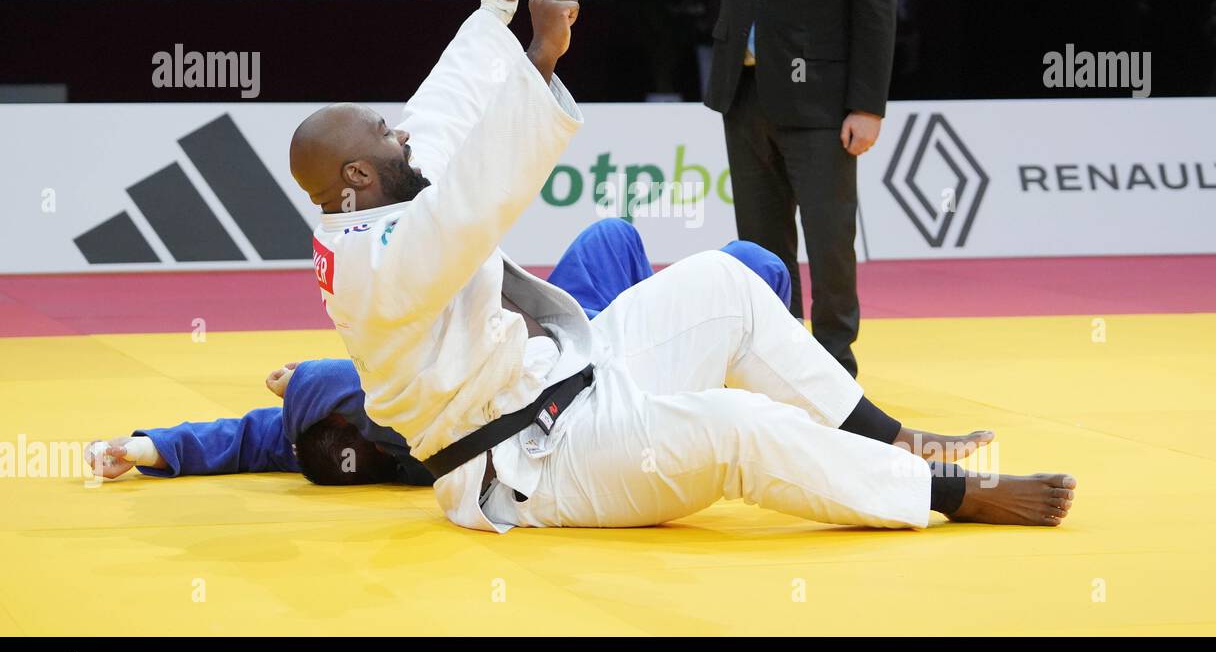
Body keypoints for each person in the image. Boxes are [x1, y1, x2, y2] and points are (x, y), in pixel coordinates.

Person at [284, 0, 1075, 533]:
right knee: (730, 424)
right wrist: (537, 59)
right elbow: (471, 200)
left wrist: (491, 18)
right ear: (358, 169)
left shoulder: (368, 195)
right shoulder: (372, 267)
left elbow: (442, 117)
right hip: (528, 470)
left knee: (721, 286)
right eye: (385, 133)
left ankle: (883, 433)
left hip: (557, 385)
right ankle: (942, 493)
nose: (402, 132)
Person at [510, 0, 895, 376]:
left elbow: (875, 15)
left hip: (820, 104)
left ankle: (836, 362)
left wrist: (866, 106)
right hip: (743, 97)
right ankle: (778, 353)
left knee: (829, 238)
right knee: (761, 243)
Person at [83, 220, 794, 486]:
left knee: (616, 241)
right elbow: (259, 431)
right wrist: (298, 377)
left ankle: (740, 347)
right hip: (586, 373)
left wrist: (147, 445)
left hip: (556, 343)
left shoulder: (326, 426)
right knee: (747, 265)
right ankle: (772, 365)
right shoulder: (412, 405)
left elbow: (241, 440)